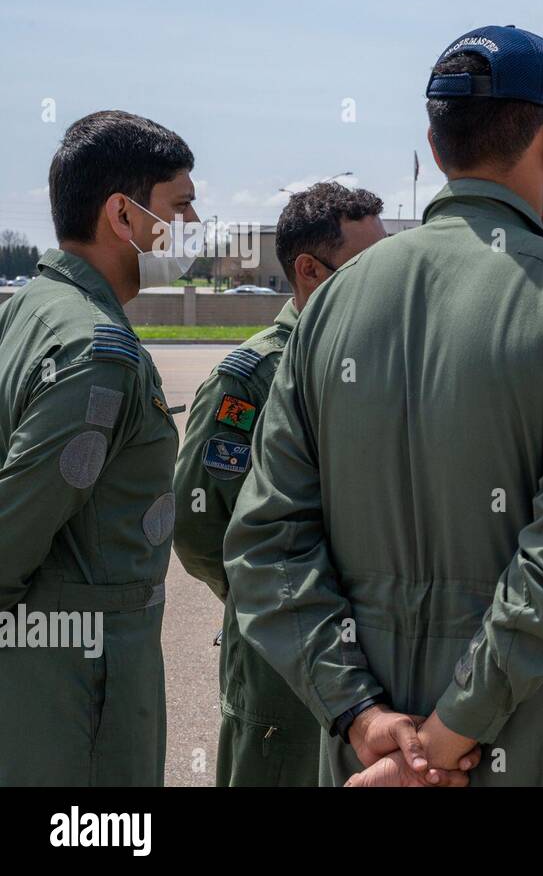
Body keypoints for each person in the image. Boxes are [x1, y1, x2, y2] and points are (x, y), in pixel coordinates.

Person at [224, 25, 543, 787]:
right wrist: (454, 732)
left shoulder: (330, 305)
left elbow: (265, 542)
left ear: (435, 136)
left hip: (371, 745)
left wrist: (361, 715)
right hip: (538, 728)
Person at [0, 110, 198, 784]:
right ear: (124, 214)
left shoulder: (27, 312)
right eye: (181, 205)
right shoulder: (95, 353)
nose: (193, 228)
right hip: (81, 694)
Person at [172, 181, 387, 786]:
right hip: (280, 656)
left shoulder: (384, 364)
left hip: (377, 650)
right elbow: (197, 525)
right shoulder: (251, 380)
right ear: (310, 271)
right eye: (367, 267)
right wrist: (271, 601)